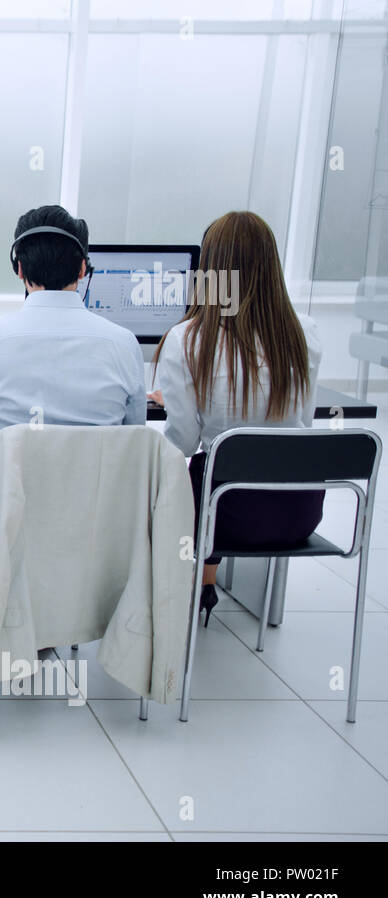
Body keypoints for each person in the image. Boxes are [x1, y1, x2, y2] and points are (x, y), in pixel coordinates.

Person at [0, 205, 146, 521]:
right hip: (94, 517)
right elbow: (134, 436)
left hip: (12, 512)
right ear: (83, 269)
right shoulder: (123, 343)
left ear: (20, 269)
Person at [151, 210, 323, 625]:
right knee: (225, 467)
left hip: (223, 519)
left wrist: (177, 401)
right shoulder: (305, 333)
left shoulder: (187, 339)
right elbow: (301, 424)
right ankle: (207, 586)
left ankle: (179, 593)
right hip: (298, 515)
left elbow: (182, 443)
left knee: (183, 473)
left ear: (210, 270)